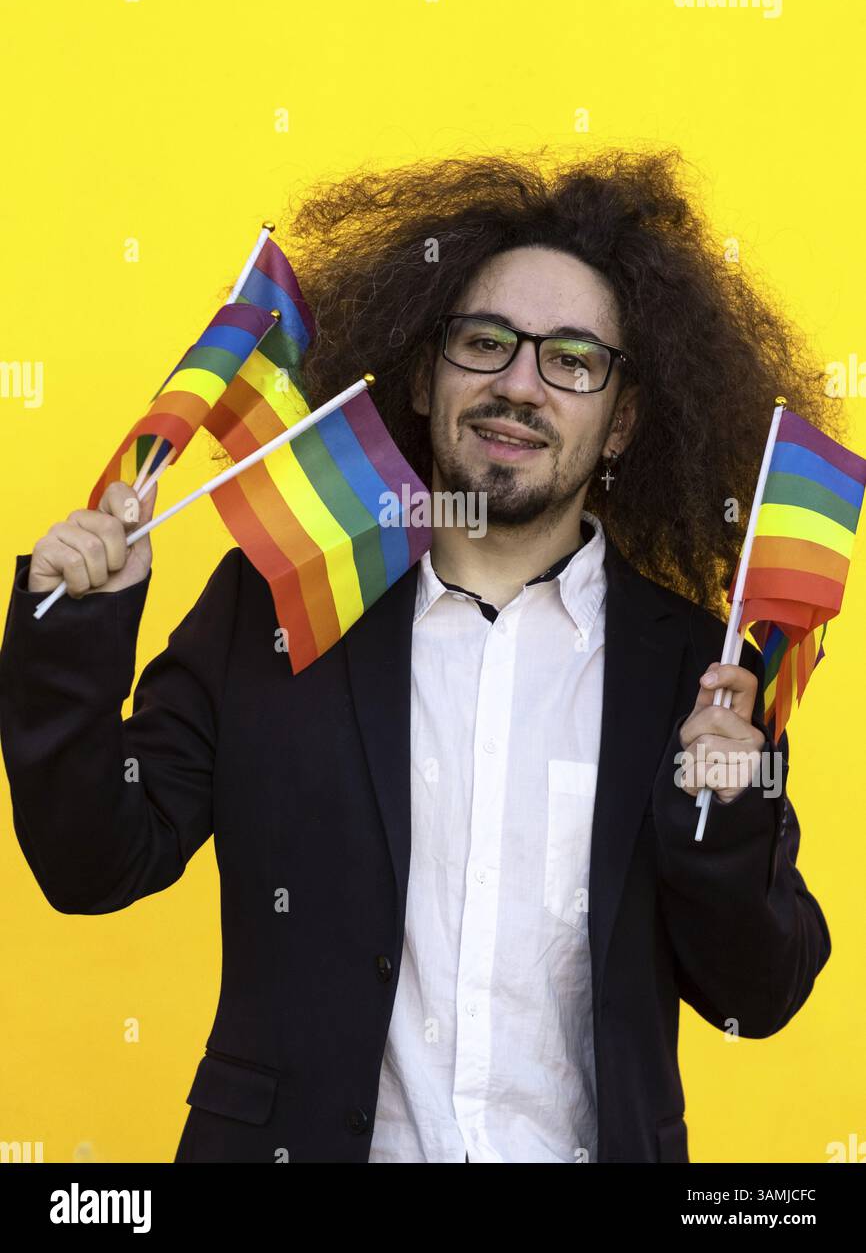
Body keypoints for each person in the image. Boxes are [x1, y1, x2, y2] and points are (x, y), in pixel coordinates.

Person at [0, 148, 834, 1163]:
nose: (518, 384)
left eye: (571, 359)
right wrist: (71, 630)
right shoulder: (276, 602)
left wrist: (719, 801)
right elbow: (94, 863)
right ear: (426, 374)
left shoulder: (695, 673)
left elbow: (759, 993)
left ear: (618, 422)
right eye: (484, 342)